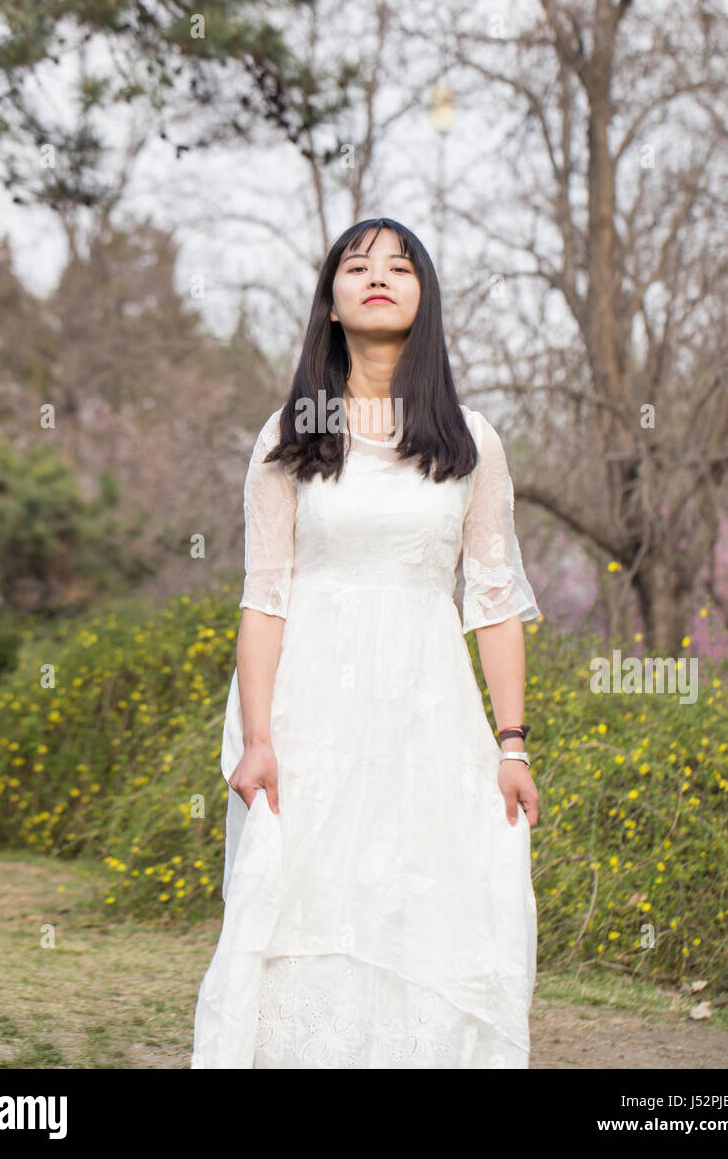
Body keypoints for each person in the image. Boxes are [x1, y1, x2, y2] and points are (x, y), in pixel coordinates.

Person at [191, 218, 541, 1069]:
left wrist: (513, 744)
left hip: (430, 714)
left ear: (424, 298)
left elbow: (492, 603)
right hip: (310, 710)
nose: (378, 276)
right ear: (333, 304)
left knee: (433, 897)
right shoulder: (289, 435)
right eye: (357, 266)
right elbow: (264, 598)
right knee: (306, 898)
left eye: (399, 266)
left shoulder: (469, 441)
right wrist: (261, 738)